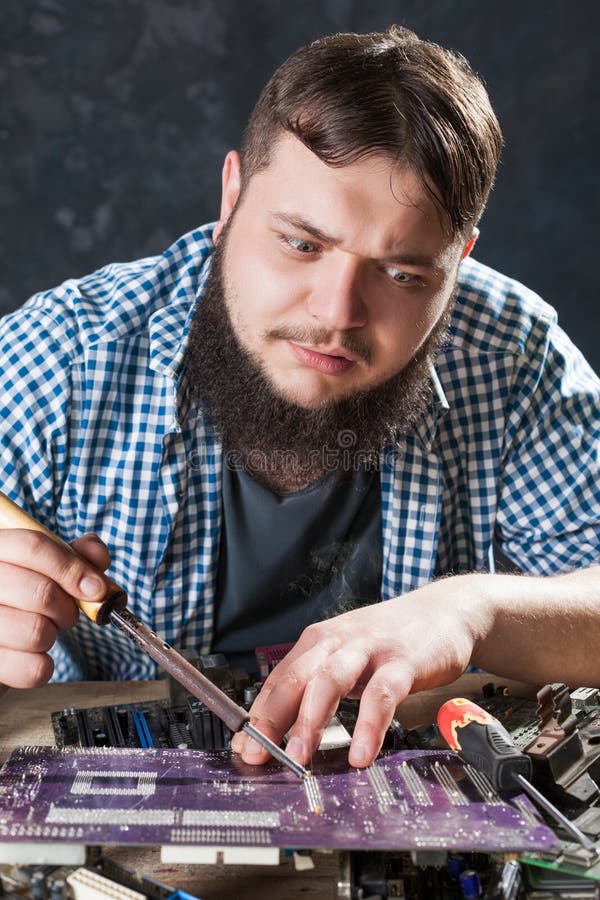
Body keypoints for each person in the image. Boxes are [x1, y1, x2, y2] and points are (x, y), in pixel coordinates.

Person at [0, 26, 598, 771]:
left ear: (461, 260)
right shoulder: (62, 361)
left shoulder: (514, 359)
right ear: (231, 197)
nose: (338, 311)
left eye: (403, 274)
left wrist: (472, 610)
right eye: (302, 244)